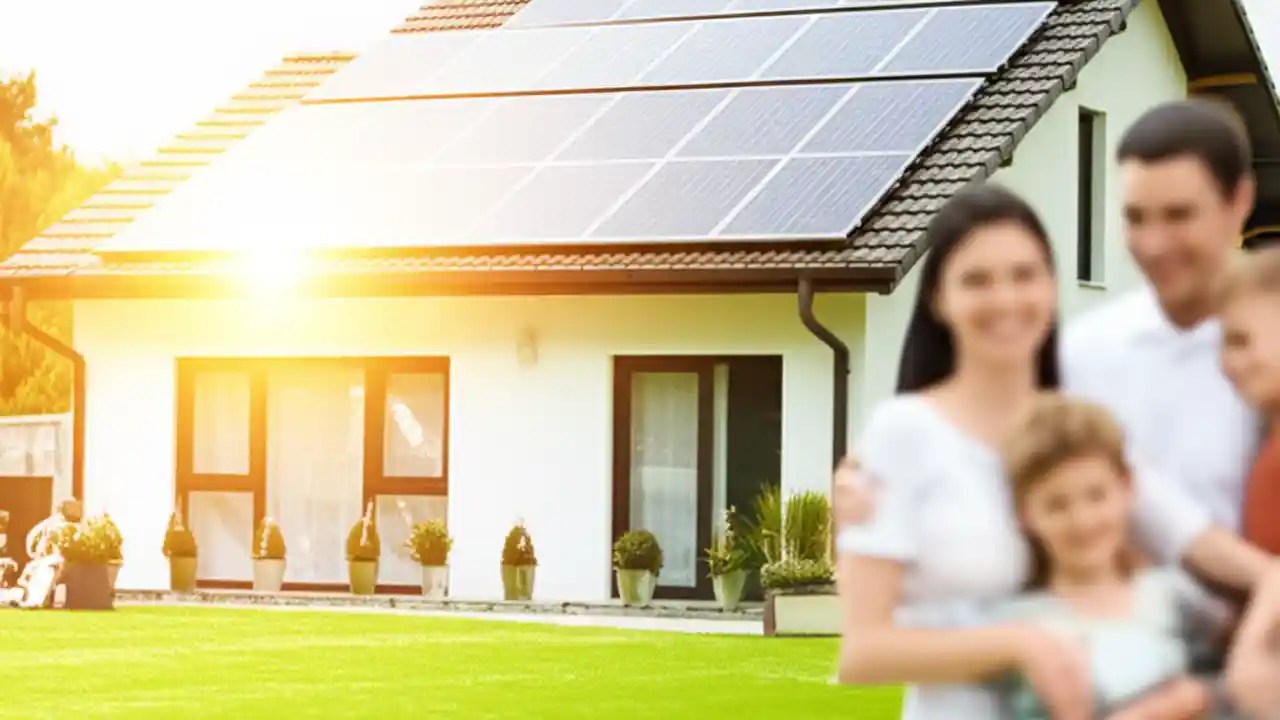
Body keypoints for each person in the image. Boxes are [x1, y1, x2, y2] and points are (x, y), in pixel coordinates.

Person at [833, 182, 1277, 720]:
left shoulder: (1075, 430)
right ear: (938, 299)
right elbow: (864, 652)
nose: (1006, 299)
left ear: (1051, 286)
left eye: (1025, 275)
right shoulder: (903, 434)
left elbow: (1193, 540)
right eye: (977, 280)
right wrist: (1021, 643)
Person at [993, 394, 1232, 719]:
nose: (1083, 521)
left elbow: (1233, 686)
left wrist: (1196, 697)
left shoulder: (1174, 595)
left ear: (1127, 487)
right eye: (1057, 505)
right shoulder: (1019, 627)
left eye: (1097, 495)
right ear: (1024, 516)